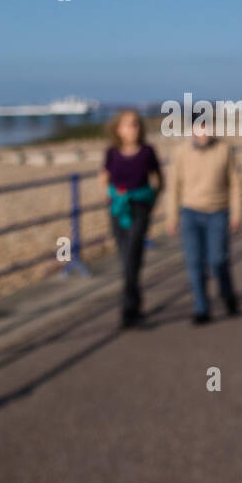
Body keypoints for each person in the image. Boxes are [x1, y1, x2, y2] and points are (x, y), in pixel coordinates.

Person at [164, 120, 242, 325]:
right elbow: (173, 186)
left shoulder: (224, 150)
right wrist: (171, 217)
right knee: (194, 262)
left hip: (218, 212)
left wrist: (237, 214)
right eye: (200, 127)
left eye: (209, 127)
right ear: (192, 130)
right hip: (190, 213)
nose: (205, 132)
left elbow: (235, 184)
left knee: (218, 260)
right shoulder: (180, 152)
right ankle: (201, 307)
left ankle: (227, 294)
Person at [99, 109, 162, 329]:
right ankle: (133, 305)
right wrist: (114, 197)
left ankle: (129, 309)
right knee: (127, 257)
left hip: (140, 207)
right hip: (118, 209)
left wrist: (151, 201)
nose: (132, 128)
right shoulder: (112, 153)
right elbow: (104, 179)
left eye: (135, 124)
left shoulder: (147, 151)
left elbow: (158, 179)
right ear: (118, 129)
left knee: (133, 255)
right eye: (127, 124)